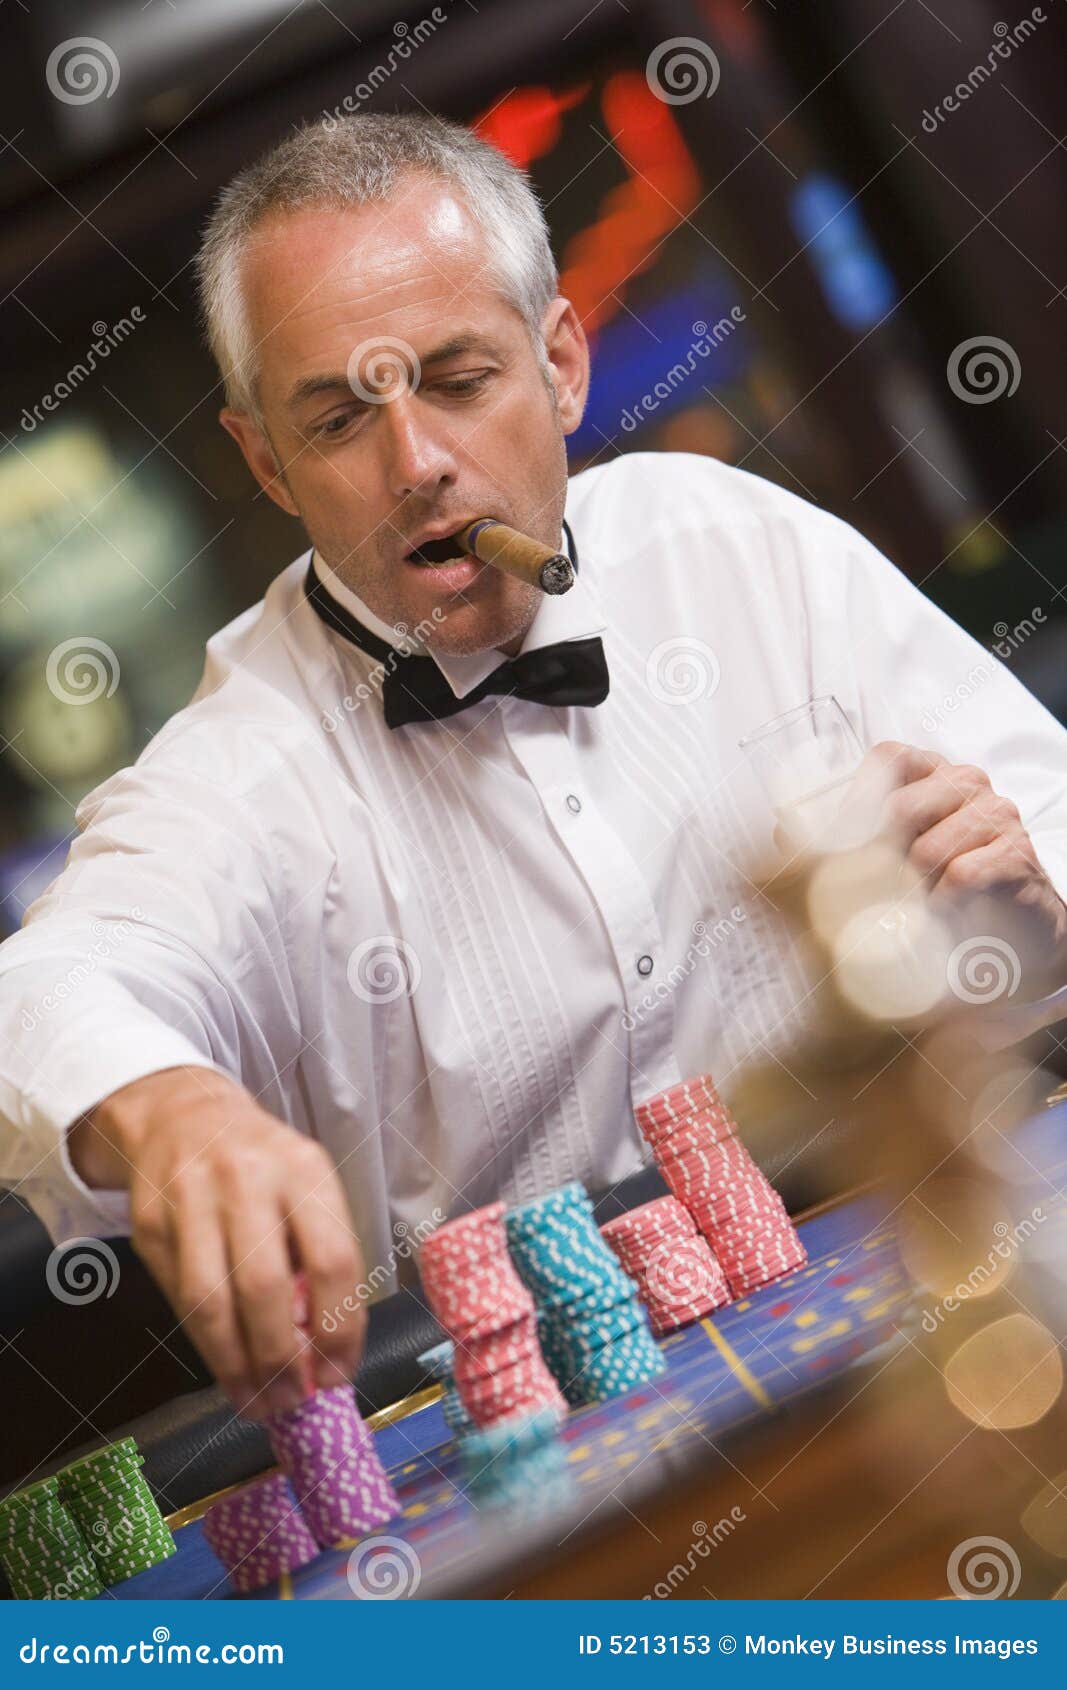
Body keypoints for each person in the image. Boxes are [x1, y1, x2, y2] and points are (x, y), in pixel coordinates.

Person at [1, 114, 1065, 1424]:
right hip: (557, 1431)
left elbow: (1048, 821)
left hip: (925, 1261)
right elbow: (51, 982)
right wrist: (164, 1107)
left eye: (459, 379)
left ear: (561, 363)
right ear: (267, 461)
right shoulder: (239, 770)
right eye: (340, 417)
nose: (419, 466)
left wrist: (1028, 890)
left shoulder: (731, 540)